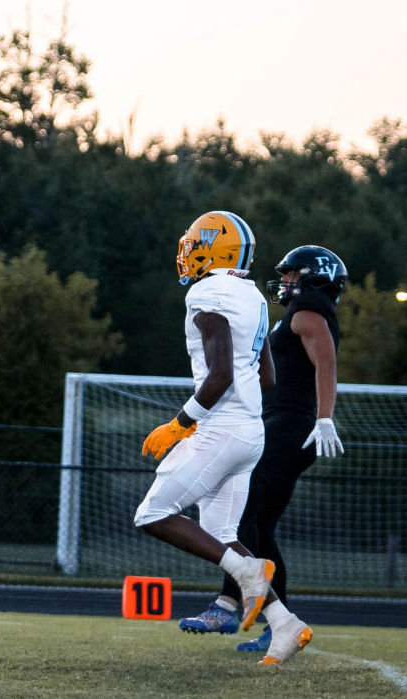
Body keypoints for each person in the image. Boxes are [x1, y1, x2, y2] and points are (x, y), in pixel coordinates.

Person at [134, 211, 313, 665]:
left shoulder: (207, 291)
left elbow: (218, 376)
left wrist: (180, 423)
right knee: (220, 533)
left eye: (194, 245)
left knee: (153, 513)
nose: (187, 254)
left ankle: (250, 574)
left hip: (221, 429)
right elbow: (266, 376)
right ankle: (286, 626)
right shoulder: (252, 295)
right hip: (251, 431)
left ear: (213, 248)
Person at [178, 245, 347, 653]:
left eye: (292, 275)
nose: (285, 281)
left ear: (312, 278)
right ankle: (280, 624)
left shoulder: (308, 311)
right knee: (260, 528)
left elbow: (326, 364)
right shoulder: (298, 313)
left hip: (289, 428)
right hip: (283, 426)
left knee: (237, 516)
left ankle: (226, 604)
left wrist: (325, 416)